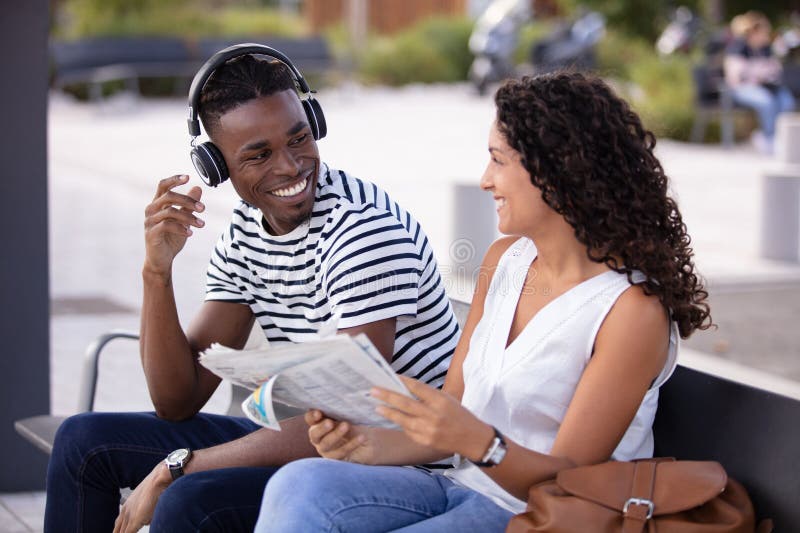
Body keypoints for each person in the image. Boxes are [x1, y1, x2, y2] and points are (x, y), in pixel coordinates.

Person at [254, 71, 712, 532]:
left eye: (498, 160)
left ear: (556, 172)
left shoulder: (630, 311)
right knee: (300, 484)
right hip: (463, 486)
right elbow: (455, 413)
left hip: (542, 515)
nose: (485, 180)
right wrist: (367, 446)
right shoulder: (504, 262)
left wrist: (481, 443)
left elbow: (569, 478)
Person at [44, 45, 458, 533]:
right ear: (215, 166)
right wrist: (156, 272)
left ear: (315, 124)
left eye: (299, 139)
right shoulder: (246, 231)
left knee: (192, 497)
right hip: (309, 438)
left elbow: (345, 412)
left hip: (400, 465)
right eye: (258, 155)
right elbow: (178, 399)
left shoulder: (364, 231)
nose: (290, 167)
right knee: (83, 442)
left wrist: (177, 467)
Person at [724, 10, 796, 153]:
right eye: (764, 32)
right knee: (766, 101)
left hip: (767, 87)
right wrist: (757, 73)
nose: (767, 35)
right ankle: (768, 138)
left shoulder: (766, 49)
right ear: (754, 32)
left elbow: (775, 70)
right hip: (742, 89)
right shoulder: (738, 47)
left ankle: (779, 138)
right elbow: (735, 76)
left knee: (786, 101)